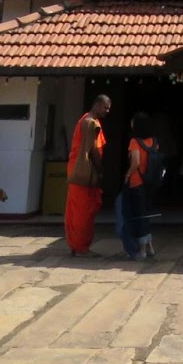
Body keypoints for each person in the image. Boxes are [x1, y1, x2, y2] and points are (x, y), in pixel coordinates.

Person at [64, 94, 110, 256]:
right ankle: (81, 248)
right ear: (97, 105)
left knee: (76, 210)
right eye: (105, 107)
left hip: (76, 170)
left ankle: (75, 245)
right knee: (84, 212)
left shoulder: (84, 119)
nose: (107, 111)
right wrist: (101, 169)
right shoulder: (91, 123)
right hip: (84, 172)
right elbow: (94, 150)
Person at [117, 111, 160, 260]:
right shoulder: (154, 141)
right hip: (150, 183)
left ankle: (142, 249)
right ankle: (150, 246)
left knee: (138, 216)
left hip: (137, 183)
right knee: (147, 214)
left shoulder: (134, 142)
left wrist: (127, 175)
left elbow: (135, 162)